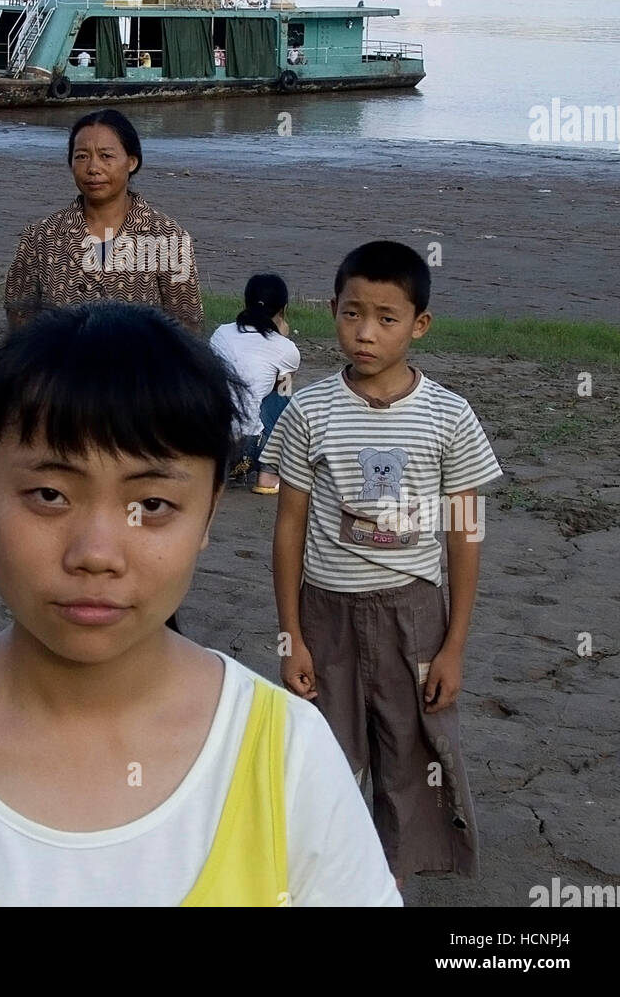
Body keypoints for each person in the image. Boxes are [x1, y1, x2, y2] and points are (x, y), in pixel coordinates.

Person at [0, 303, 401, 907]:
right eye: (49, 493)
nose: (97, 553)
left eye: (152, 506)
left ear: (209, 511)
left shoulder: (286, 759)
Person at [261, 241, 503, 887]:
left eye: (386, 318)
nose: (365, 333)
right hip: (326, 612)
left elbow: (465, 534)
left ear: (419, 325)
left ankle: (391, 886)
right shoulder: (310, 410)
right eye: (351, 313)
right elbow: (288, 529)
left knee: (411, 758)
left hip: (413, 614)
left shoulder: (449, 416)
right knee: (325, 760)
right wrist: (292, 637)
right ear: (333, 310)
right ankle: (326, 884)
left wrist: (454, 646)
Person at [3, 109, 203, 333]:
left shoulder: (167, 237)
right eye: (82, 156)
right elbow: (19, 319)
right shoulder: (41, 236)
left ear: (132, 162)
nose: (93, 168)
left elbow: (186, 326)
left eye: (106, 156)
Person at [209, 273, 300, 495]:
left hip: (211, 445)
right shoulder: (285, 348)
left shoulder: (220, 334)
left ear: (245, 303)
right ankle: (268, 474)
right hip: (248, 448)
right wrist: (284, 339)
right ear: (283, 309)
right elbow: (282, 389)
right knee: (283, 394)